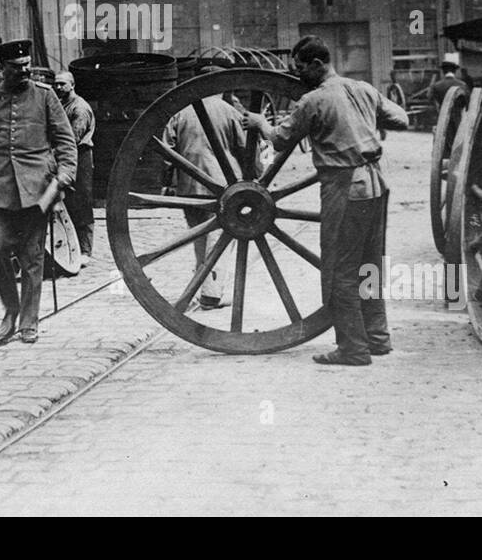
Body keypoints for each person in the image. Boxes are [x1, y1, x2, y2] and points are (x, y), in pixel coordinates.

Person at [244, 35, 409, 366]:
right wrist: (364, 120)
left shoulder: (312, 101)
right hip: (376, 185)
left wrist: (260, 122)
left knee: (340, 271)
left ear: (317, 65)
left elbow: (279, 139)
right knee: (370, 263)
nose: (297, 74)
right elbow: (402, 119)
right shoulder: (362, 89)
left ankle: (353, 349)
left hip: (344, 188)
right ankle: (377, 338)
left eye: (300, 68)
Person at [0, 39, 77, 344]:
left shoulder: (45, 96)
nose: (24, 71)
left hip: (36, 191)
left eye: (27, 66)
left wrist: (64, 176)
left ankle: (29, 320)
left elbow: (66, 141)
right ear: (1, 68)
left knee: (32, 259)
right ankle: (11, 309)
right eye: (16, 68)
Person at [160, 66, 246, 310]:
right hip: (221, 185)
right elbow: (244, 148)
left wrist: (166, 182)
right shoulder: (229, 112)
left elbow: (168, 151)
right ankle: (211, 294)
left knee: (198, 236)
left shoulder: (181, 113)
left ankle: (201, 287)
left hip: (188, 185)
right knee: (219, 238)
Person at [52, 70, 95, 265]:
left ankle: (86, 250)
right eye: (57, 84)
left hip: (80, 158)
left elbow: (72, 139)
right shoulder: (61, 105)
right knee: (68, 202)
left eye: (62, 84)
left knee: (82, 202)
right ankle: (72, 246)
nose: (58, 87)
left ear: (72, 85)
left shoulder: (80, 108)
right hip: (65, 157)